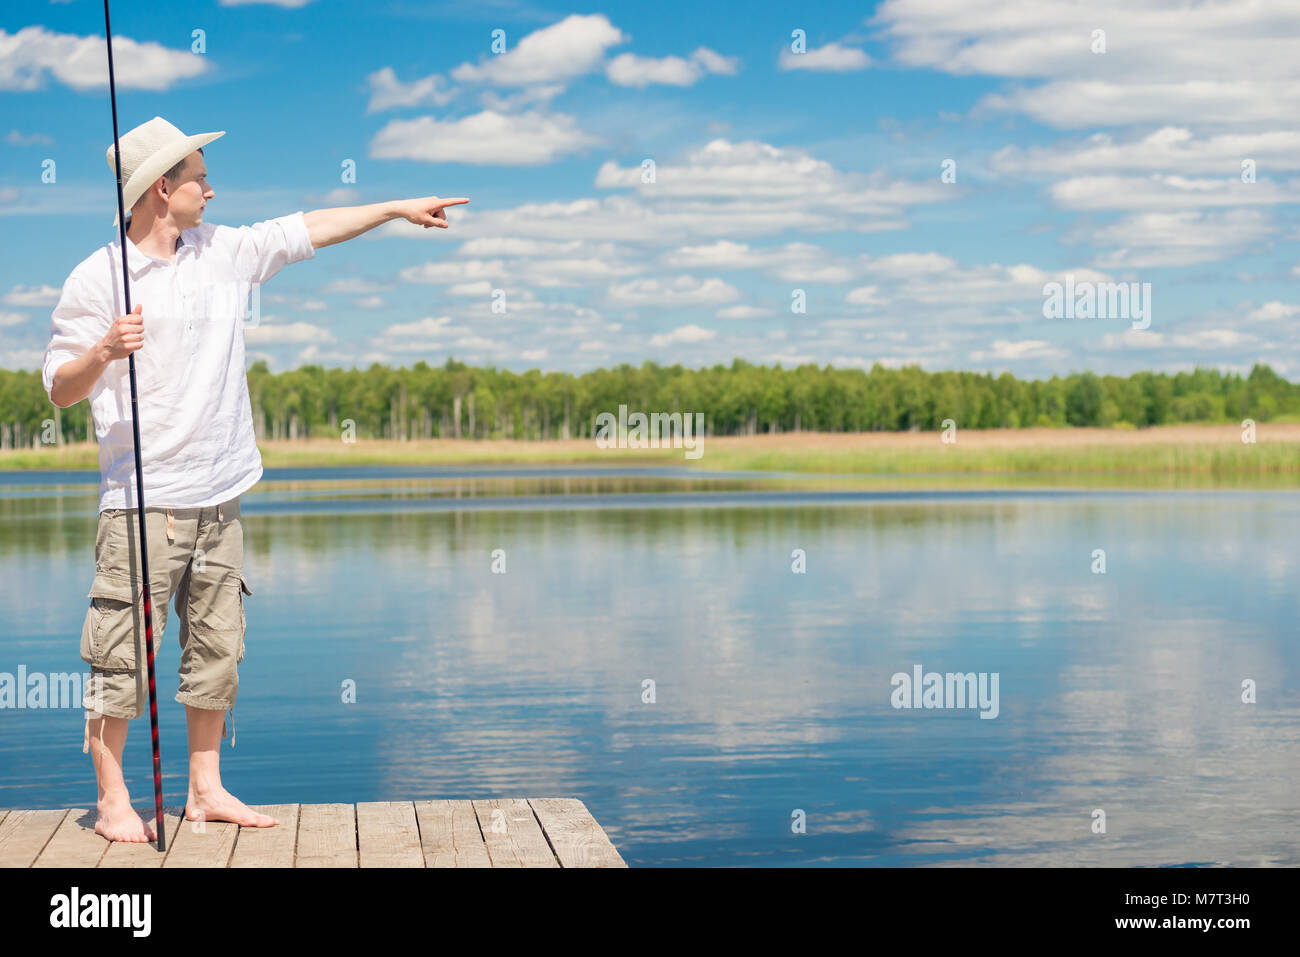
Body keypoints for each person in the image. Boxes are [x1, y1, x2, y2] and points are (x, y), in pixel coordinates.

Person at [42, 115, 468, 843]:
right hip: (143, 504)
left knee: (216, 648)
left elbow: (312, 226)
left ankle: (204, 790)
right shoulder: (96, 277)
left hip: (221, 496)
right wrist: (106, 349)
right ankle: (113, 797)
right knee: (121, 653)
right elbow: (58, 388)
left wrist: (394, 207)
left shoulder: (225, 251)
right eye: (200, 177)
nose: (213, 188)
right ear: (161, 189)